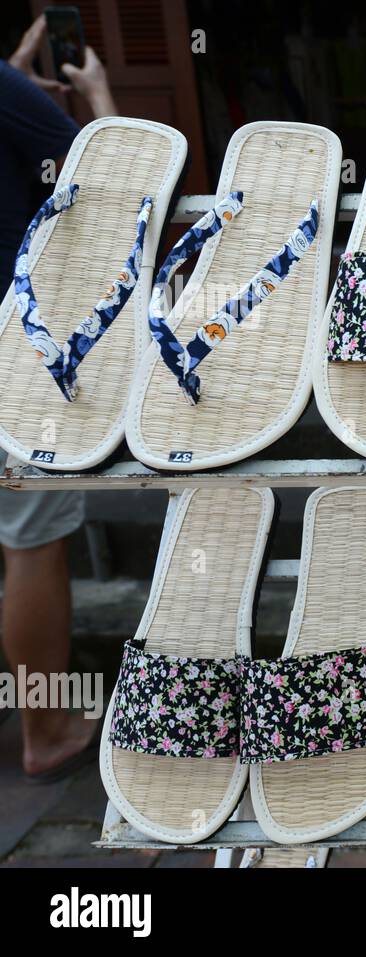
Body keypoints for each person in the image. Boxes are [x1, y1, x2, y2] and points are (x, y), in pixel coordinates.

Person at [0, 17, 116, 781]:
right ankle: (46, 726)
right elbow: (112, 176)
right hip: (15, 340)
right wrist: (98, 93)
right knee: (32, 537)